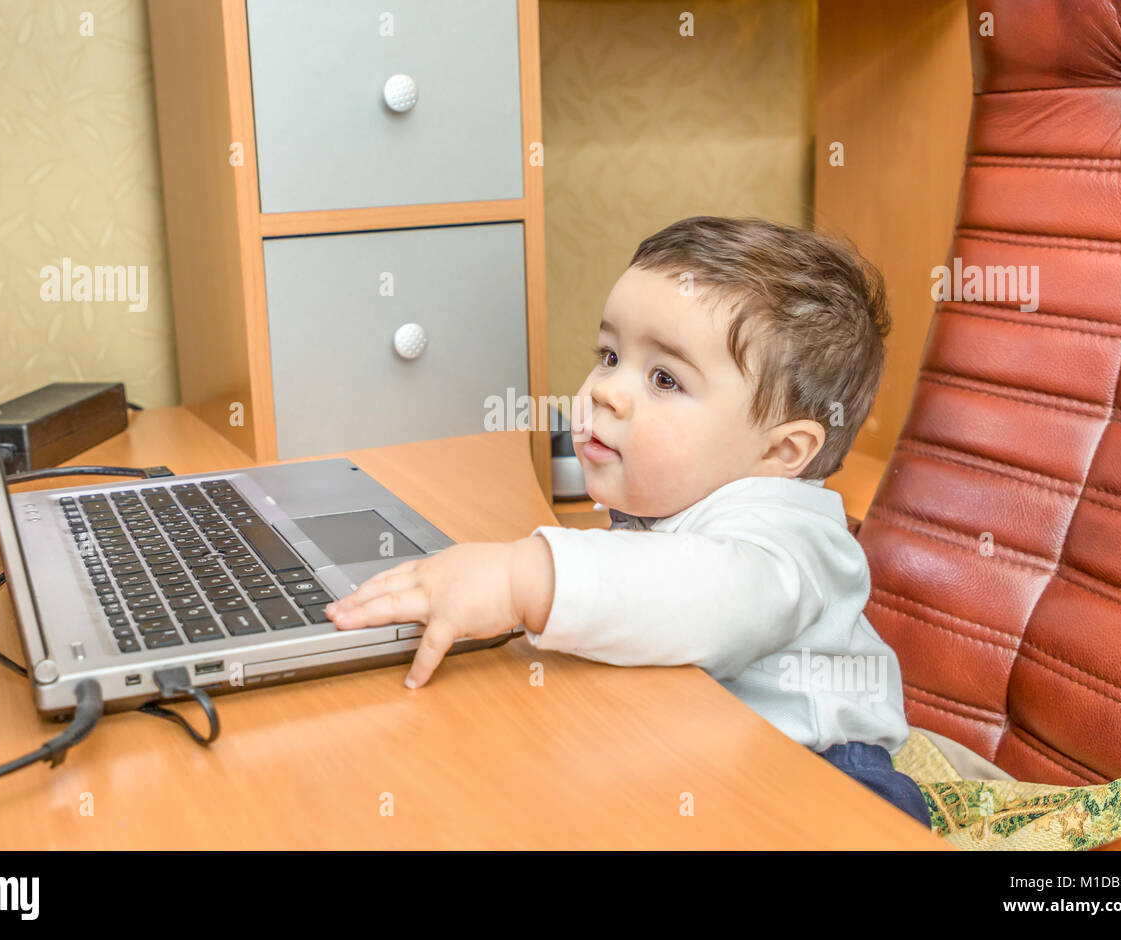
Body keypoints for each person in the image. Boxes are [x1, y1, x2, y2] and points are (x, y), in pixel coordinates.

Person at [325, 215, 930, 826]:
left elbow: (711, 597)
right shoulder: (676, 499)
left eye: (665, 378)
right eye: (610, 355)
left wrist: (521, 578)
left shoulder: (791, 538)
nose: (605, 390)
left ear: (782, 453)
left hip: (829, 777)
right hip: (711, 745)